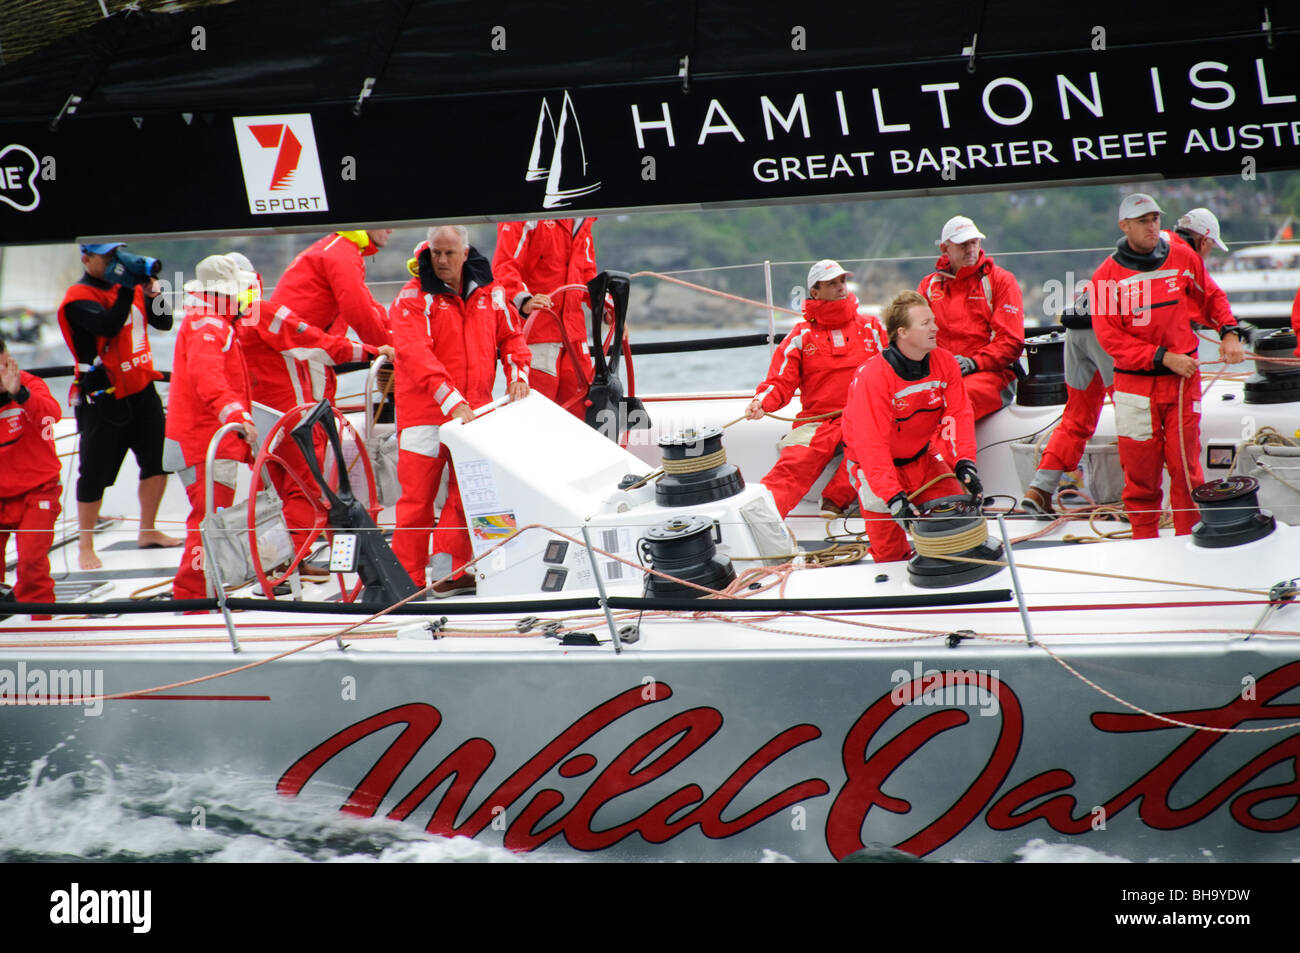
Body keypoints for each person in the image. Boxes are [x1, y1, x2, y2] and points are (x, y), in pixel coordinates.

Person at [1022, 204, 1244, 515]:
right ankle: (1147, 508)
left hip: (1077, 333)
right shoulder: (1174, 255)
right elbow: (1199, 301)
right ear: (1204, 242)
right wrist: (1228, 332)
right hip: (1111, 340)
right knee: (1137, 419)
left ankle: (1039, 489)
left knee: (1076, 418)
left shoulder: (1143, 245)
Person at [1090, 194, 1244, 539]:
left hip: (1180, 383)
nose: (1151, 226)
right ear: (1124, 226)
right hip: (1135, 387)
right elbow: (1110, 339)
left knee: (1186, 469)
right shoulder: (1104, 278)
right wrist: (1162, 357)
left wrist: (1229, 331)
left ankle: (1189, 538)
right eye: (1143, 221)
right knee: (1140, 474)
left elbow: (1212, 296)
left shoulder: (1183, 256)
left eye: (1155, 219)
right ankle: (1145, 543)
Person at [389, 226, 531, 595]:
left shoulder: (492, 292)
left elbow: (512, 336)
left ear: (465, 253)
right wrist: (453, 400)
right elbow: (417, 355)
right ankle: (406, 582)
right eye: (436, 253)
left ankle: (449, 573)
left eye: (449, 254)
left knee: (472, 493)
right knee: (416, 502)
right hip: (424, 416)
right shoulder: (411, 299)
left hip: (476, 411)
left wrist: (518, 374)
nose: (441, 261)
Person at [240, 229, 394, 555]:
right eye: (385, 220)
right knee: (309, 467)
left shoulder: (235, 322)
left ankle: (297, 548)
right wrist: (387, 350)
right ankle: (294, 558)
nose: (391, 227)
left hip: (270, 394)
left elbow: (363, 304)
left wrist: (384, 340)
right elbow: (356, 313)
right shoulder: (341, 252)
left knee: (292, 473)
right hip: (299, 374)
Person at [56, 242, 181, 570]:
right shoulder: (77, 298)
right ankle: (86, 545)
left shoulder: (129, 288)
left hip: (141, 388)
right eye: (107, 257)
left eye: (117, 256)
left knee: (157, 462)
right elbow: (108, 325)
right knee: (94, 472)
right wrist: (128, 286)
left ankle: (148, 529)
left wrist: (154, 295)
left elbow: (164, 323)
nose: (114, 262)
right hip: (102, 396)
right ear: (87, 259)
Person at [841, 290, 981, 563]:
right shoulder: (873, 378)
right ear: (902, 332)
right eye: (925, 323)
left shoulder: (945, 364)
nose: (935, 327)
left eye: (933, 320)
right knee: (890, 556)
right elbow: (872, 445)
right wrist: (893, 497)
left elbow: (958, 416)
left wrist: (965, 462)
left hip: (923, 459)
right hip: (872, 467)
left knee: (956, 523)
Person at [744, 259, 887, 518]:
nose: (840, 287)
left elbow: (893, 370)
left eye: (842, 281)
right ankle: (760, 517)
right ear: (815, 292)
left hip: (864, 416)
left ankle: (835, 499)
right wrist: (761, 403)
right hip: (817, 422)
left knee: (873, 442)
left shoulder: (872, 327)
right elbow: (779, 382)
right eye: (831, 283)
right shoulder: (800, 336)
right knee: (796, 462)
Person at [167, 255, 261, 601]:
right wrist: (240, 418)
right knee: (207, 523)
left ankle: (206, 591)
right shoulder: (210, 326)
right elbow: (209, 382)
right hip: (203, 442)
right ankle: (193, 597)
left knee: (210, 519)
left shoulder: (205, 321)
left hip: (203, 439)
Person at [918, 216, 1025, 419]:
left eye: (973, 242)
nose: (970, 249)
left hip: (992, 374)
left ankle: (952, 451)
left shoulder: (1001, 281)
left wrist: (972, 363)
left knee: (953, 400)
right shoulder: (928, 286)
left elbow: (1011, 342)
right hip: (940, 375)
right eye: (962, 244)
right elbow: (915, 339)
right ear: (944, 249)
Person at [492, 218, 598, 417]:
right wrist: (525, 301)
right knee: (533, 414)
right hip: (537, 333)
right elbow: (505, 266)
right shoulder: (524, 213)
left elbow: (587, 273)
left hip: (575, 338)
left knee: (579, 410)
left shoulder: (583, 217)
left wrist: (609, 307)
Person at [0, 339, 62, 617]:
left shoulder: (30, 384)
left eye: (4, 364)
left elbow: (52, 415)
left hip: (38, 490)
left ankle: (41, 627)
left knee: (32, 565)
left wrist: (19, 394)